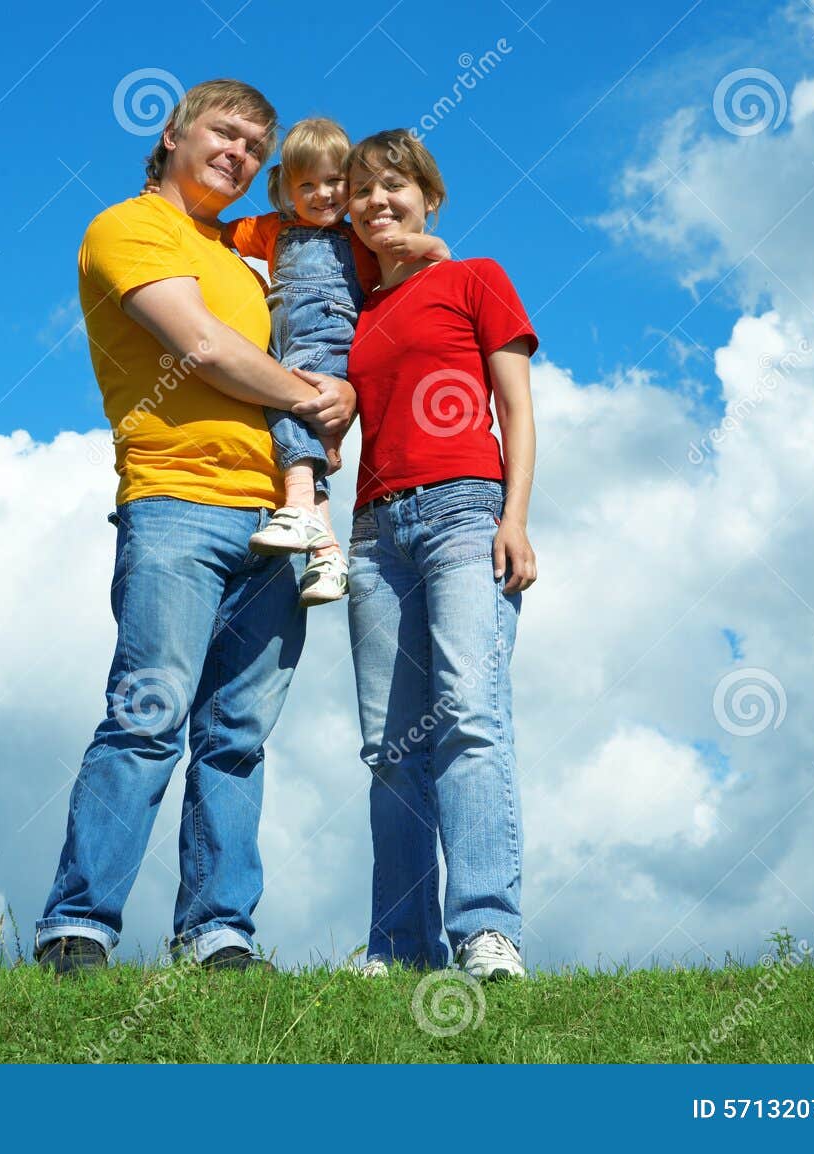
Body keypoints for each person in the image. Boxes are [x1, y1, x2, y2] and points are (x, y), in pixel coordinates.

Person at [35, 79, 356, 974]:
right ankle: (79, 929)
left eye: (257, 148)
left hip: (278, 517)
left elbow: (303, 350)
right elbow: (205, 349)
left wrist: (337, 395)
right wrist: (319, 396)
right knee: (147, 716)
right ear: (173, 133)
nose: (242, 156)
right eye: (226, 134)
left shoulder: (255, 255)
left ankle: (218, 937)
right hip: (176, 502)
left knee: (238, 738)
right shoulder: (130, 228)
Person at [343, 129, 539, 981]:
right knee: (389, 749)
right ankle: (400, 945)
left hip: (466, 509)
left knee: (469, 715)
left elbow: (518, 409)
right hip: (373, 533)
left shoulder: (475, 278)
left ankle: (487, 931)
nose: (379, 202)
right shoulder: (358, 308)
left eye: (397, 187)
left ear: (430, 196)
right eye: (363, 192)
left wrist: (516, 516)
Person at [219, 117, 447, 605]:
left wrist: (435, 247)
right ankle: (326, 553)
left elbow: (407, 270)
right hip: (285, 345)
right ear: (286, 188)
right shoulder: (270, 230)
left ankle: (299, 506)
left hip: (330, 343)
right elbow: (214, 236)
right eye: (307, 185)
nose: (322, 194)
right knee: (282, 411)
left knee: (289, 405)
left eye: (334, 182)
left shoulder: (359, 241)